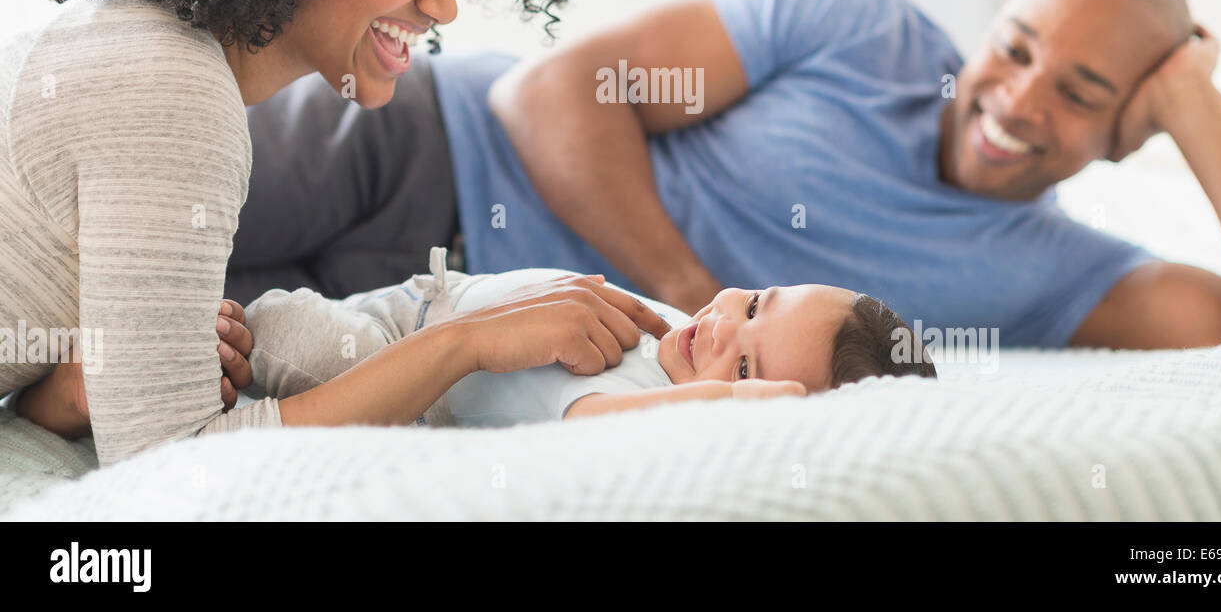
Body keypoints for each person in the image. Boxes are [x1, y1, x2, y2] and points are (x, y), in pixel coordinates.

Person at [3, 0, 670, 465]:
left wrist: (66, 393)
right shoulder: (176, 92)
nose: (447, 3)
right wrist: (464, 342)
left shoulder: (141, 37)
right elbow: (170, 466)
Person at [227, 0, 1221, 350]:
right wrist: (696, 297)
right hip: (421, 147)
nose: (1016, 100)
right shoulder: (852, 22)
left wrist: (1196, 105)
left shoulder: (1057, 275)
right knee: (114, 228)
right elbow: (557, 94)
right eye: (1014, 47)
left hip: (427, 319)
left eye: (1082, 94)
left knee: (125, 362)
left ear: (1126, 132)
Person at [241, 247, 937, 428]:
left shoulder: (631, 399)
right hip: (413, 298)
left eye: (745, 362)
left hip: (394, 367)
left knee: (274, 331)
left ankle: (222, 349)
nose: (723, 325)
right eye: (756, 302)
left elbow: (598, 427)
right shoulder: (679, 333)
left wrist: (754, 402)